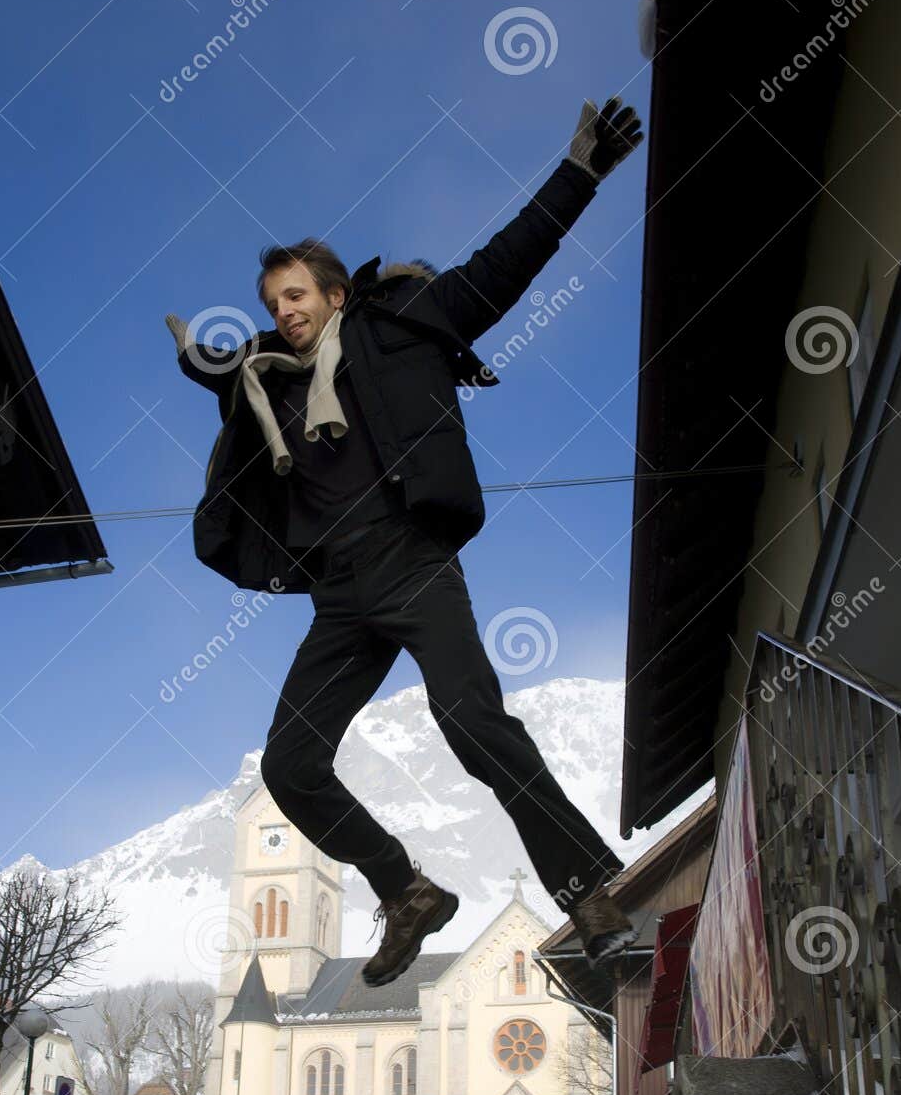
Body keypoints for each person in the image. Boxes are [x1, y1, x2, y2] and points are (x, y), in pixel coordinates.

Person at [169, 99, 643, 987]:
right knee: (290, 763)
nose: (286, 311)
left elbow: (507, 264)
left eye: (297, 295)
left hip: (413, 562)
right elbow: (224, 383)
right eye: (273, 303)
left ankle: (588, 894)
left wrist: (579, 171)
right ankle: (407, 891)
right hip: (337, 594)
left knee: (470, 721)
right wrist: (205, 362)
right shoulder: (264, 383)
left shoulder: (408, 328)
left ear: (336, 295)